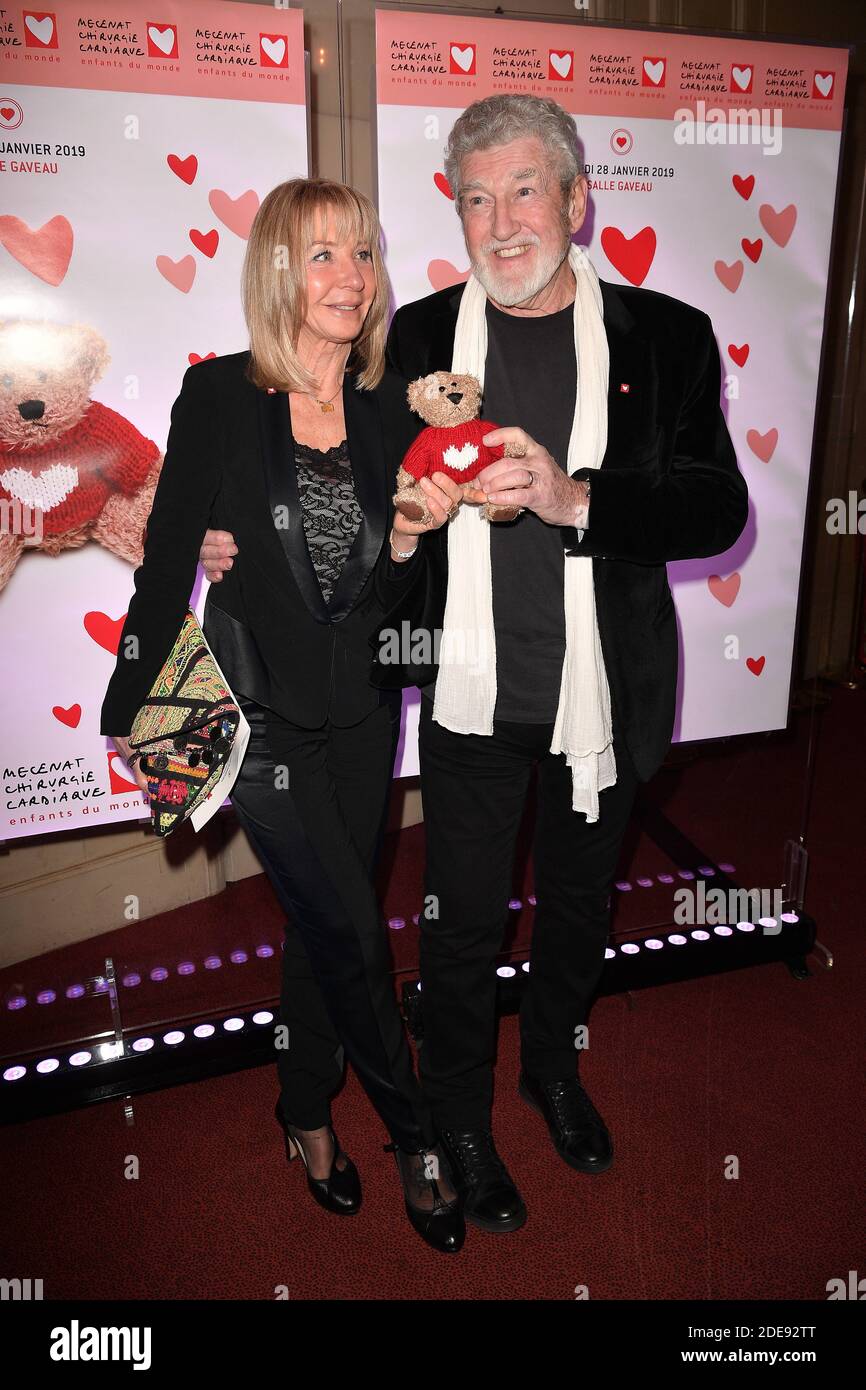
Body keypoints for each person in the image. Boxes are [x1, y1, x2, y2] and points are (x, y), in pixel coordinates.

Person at [201, 95, 749, 1239]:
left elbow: (713, 507)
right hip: (467, 697)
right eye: (473, 197)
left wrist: (572, 498)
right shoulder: (413, 342)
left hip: (602, 694)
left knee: (579, 909)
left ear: (575, 199)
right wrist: (230, 534)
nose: (500, 222)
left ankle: (552, 1067)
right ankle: (456, 1120)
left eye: (523, 190)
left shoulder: (668, 335)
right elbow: (344, 513)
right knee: (459, 926)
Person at [101, 177, 464, 1254]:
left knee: (327, 919)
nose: (347, 275)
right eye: (319, 255)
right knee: (354, 928)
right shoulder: (217, 396)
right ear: (275, 270)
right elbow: (171, 559)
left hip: (361, 711)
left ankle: (303, 1108)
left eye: (359, 253)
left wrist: (406, 543)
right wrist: (130, 694)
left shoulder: (390, 408)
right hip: (257, 716)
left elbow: (392, 591)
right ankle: (416, 1136)